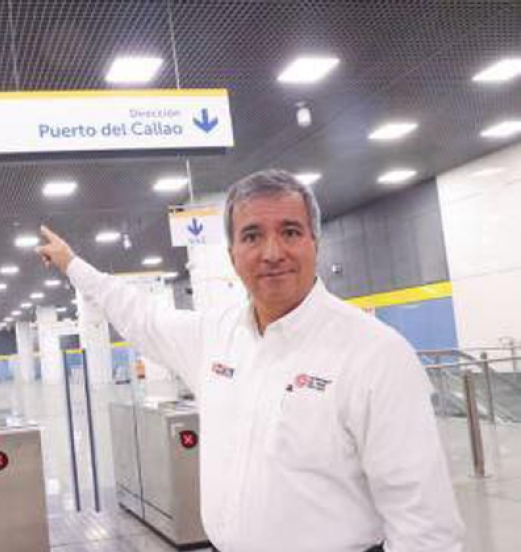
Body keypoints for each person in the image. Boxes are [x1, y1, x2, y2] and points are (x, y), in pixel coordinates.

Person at [35, 170, 464, 552]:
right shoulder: (215, 335)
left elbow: (426, 525)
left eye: (291, 232)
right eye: (252, 235)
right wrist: (73, 265)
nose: (272, 252)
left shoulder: (375, 354)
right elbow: (140, 315)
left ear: (315, 242)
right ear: (232, 252)